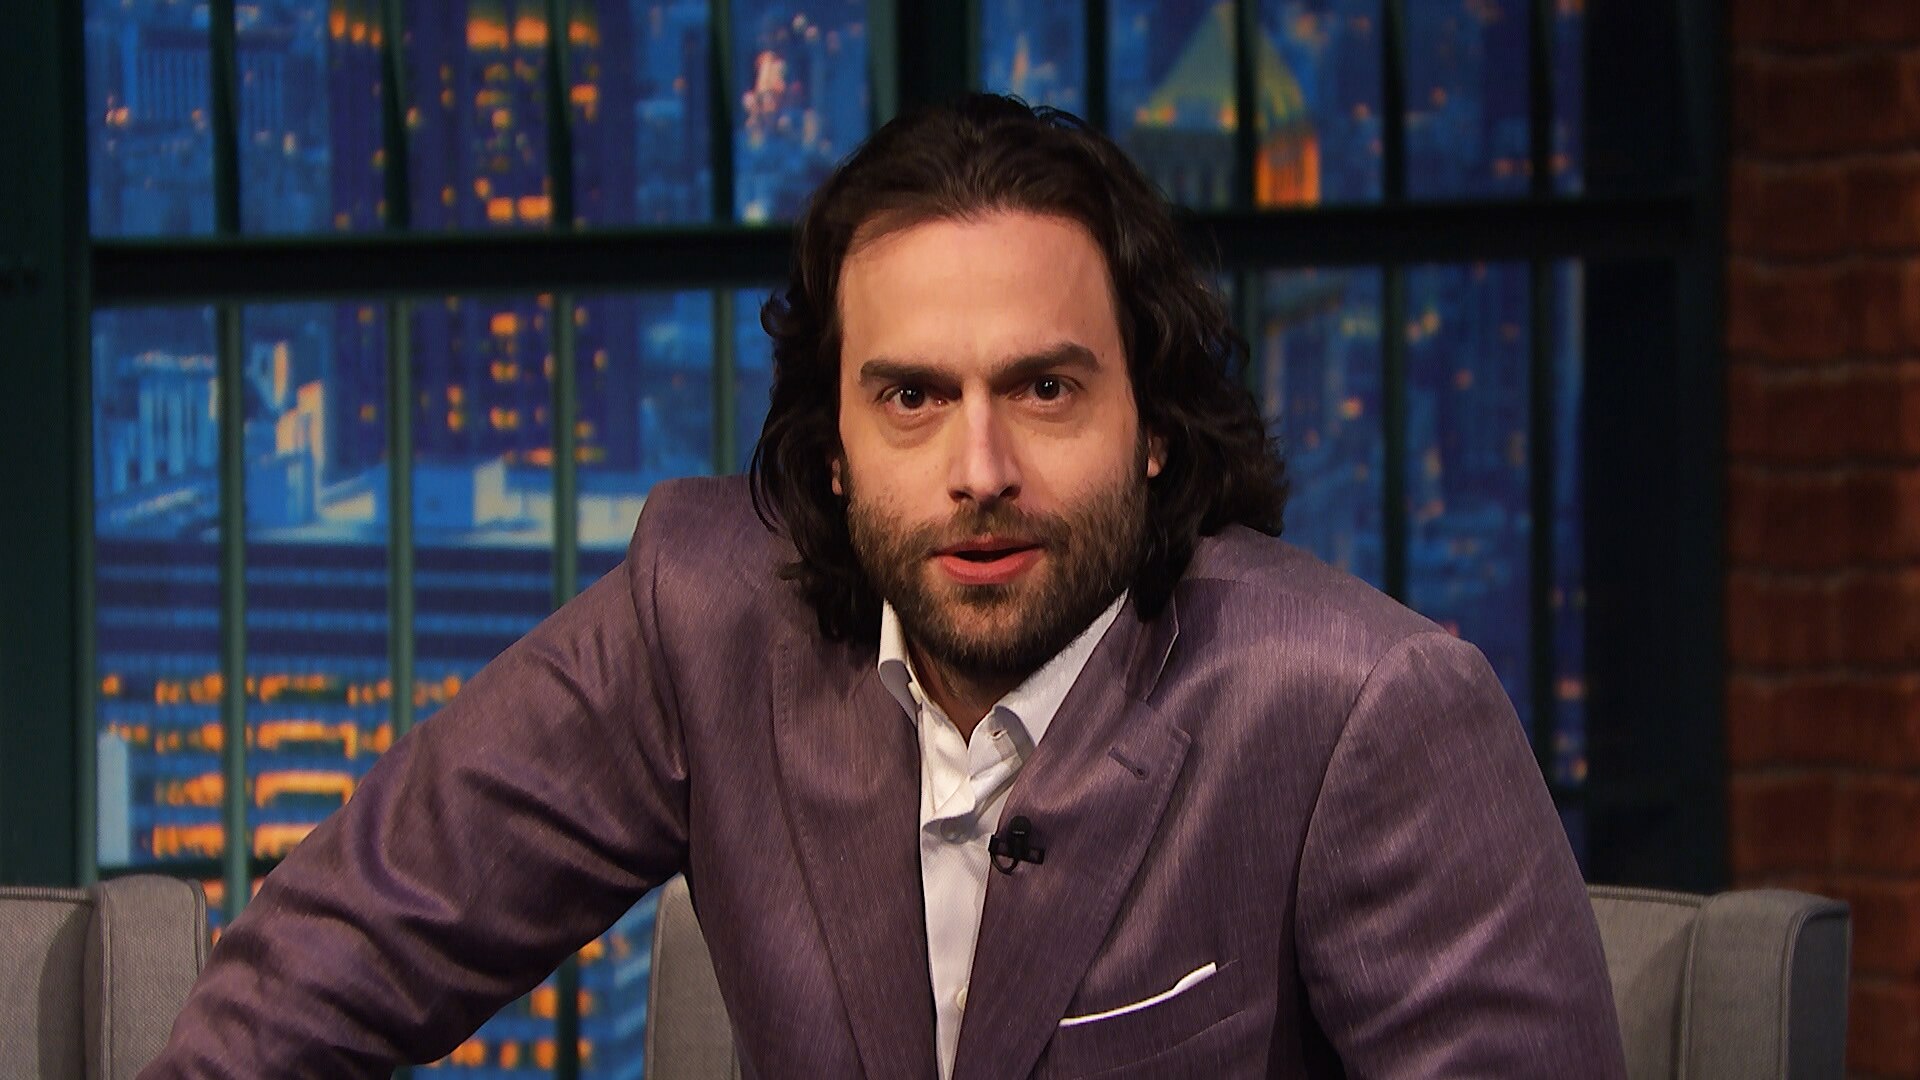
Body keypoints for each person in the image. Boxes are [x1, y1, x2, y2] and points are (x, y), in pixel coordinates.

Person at [144, 94, 1626, 1079]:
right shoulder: (703, 617)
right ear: (835, 449)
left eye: (1044, 389)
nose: (979, 468)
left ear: (1155, 429)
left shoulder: (1363, 711)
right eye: (911, 398)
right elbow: (345, 948)